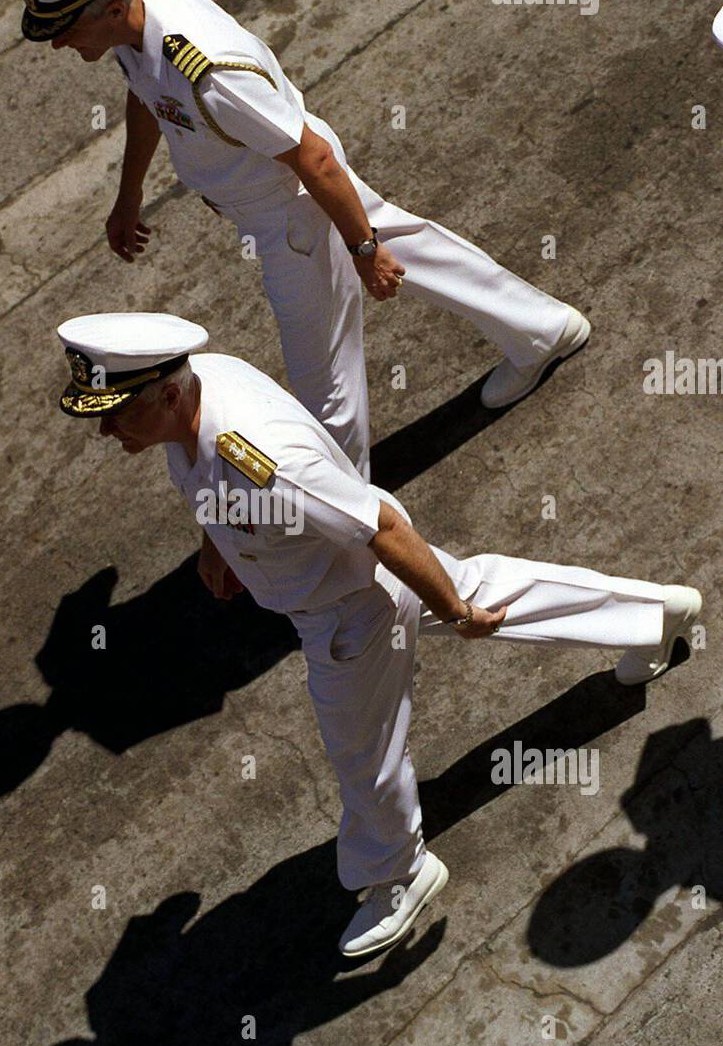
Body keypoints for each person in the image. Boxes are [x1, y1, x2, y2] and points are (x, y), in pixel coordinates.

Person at [52, 312, 702, 959]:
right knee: (483, 590)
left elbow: (383, 528)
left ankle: (398, 873)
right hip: (349, 581)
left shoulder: (263, 460)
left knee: (362, 753)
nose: (105, 429)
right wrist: (217, 543)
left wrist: (451, 615)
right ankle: (651, 615)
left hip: (349, 611)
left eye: (115, 412)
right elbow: (216, 485)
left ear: (166, 393)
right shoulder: (196, 391)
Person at [10, 0, 591, 480]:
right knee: (412, 253)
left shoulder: (212, 75)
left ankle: (349, 517)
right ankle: (541, 330)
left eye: (64, 30)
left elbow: (312, 158)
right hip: (286, 195)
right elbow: (145, 98)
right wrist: (128, 193)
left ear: (112, 9)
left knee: (325, 379)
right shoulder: (140, 11)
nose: (59, 44)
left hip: (292, 213)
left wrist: (361, 251)